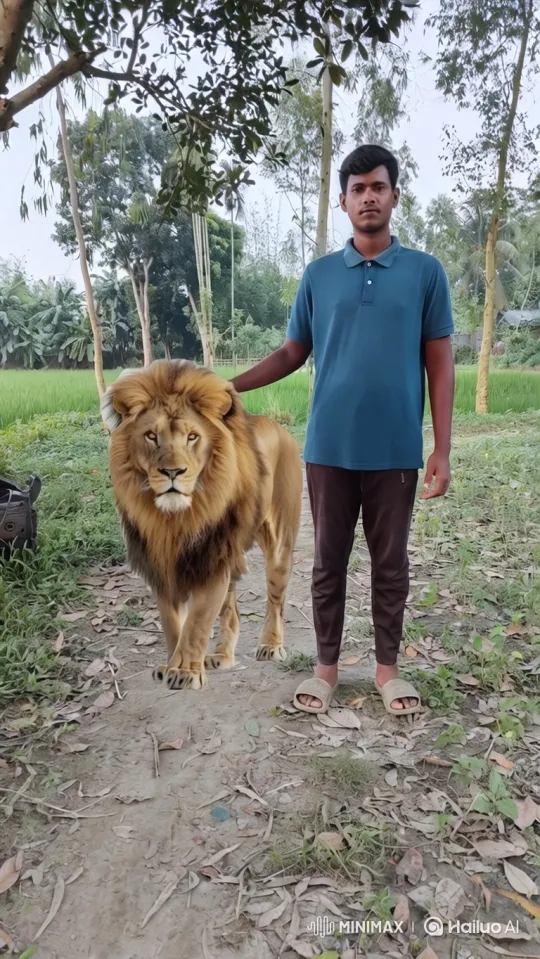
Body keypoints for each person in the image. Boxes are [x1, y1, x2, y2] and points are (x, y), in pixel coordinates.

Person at [230, 144, 455, 717]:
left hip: (396, 450)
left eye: (378, 186)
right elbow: (290, 351)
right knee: (328, 561)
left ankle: (386, 671)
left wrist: (442, 449)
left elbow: (440, 362)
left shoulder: (425, 274)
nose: (369, 197)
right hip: (329, 447)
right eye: (357, 189)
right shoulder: (320, 275)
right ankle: (325, 669)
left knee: (390, 564)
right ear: (343, 202)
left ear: (394, 195)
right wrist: (231, 387)